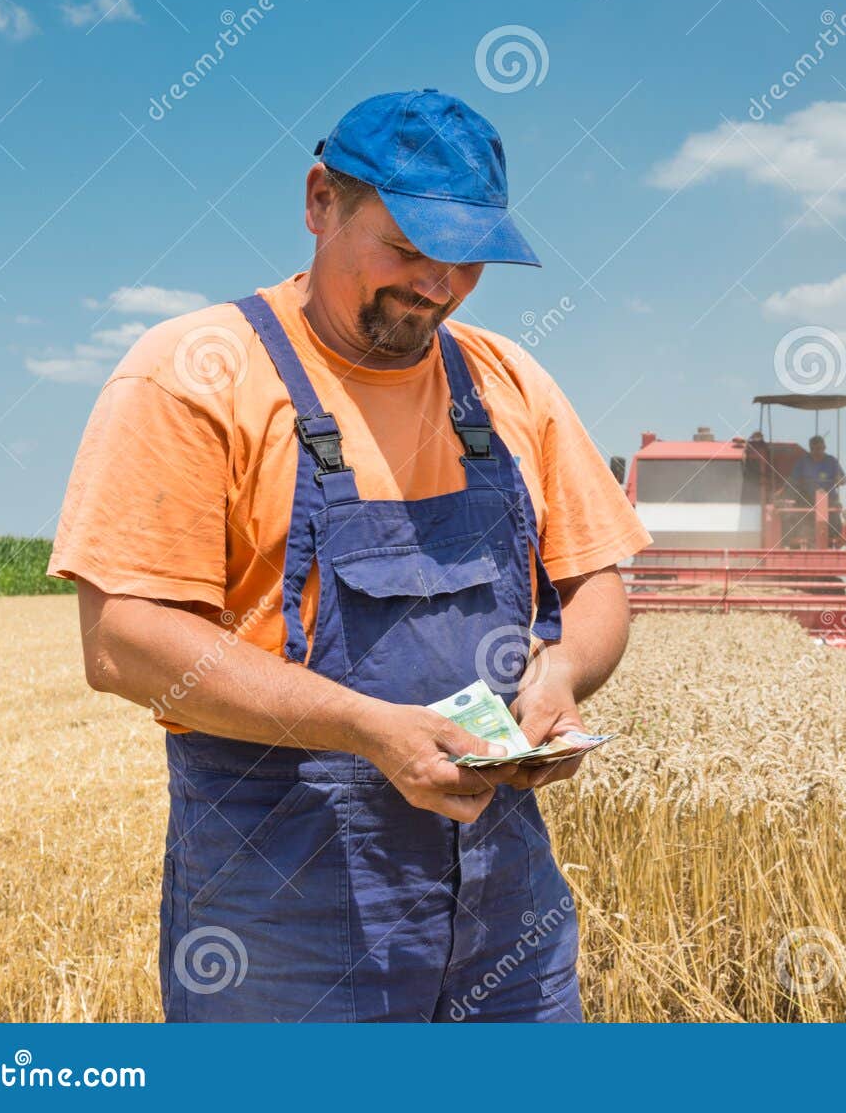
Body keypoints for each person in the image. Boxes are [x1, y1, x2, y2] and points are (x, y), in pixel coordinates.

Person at [47, 89, 651, 1022]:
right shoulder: (194, 374)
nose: (438, 286)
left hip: (506, 899)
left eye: (468, 260)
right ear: (320, 200)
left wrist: (565, 671)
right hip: (282, 909)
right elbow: (122, 643)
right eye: (408, 249)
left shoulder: (508, 382)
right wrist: (370, 730)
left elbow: (596, 582)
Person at [789, 435, 846, 545]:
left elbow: (844, 480)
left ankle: (830, 541)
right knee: (802, 529)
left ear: (824, 448)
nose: (817, 452)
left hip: (829, 503)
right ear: (810, 449)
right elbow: (793, 481)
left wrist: (839, 479)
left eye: (820, 449)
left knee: (835, 531)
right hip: (806, 503)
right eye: (814, 449)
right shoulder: (803, 462)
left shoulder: (832, 461)